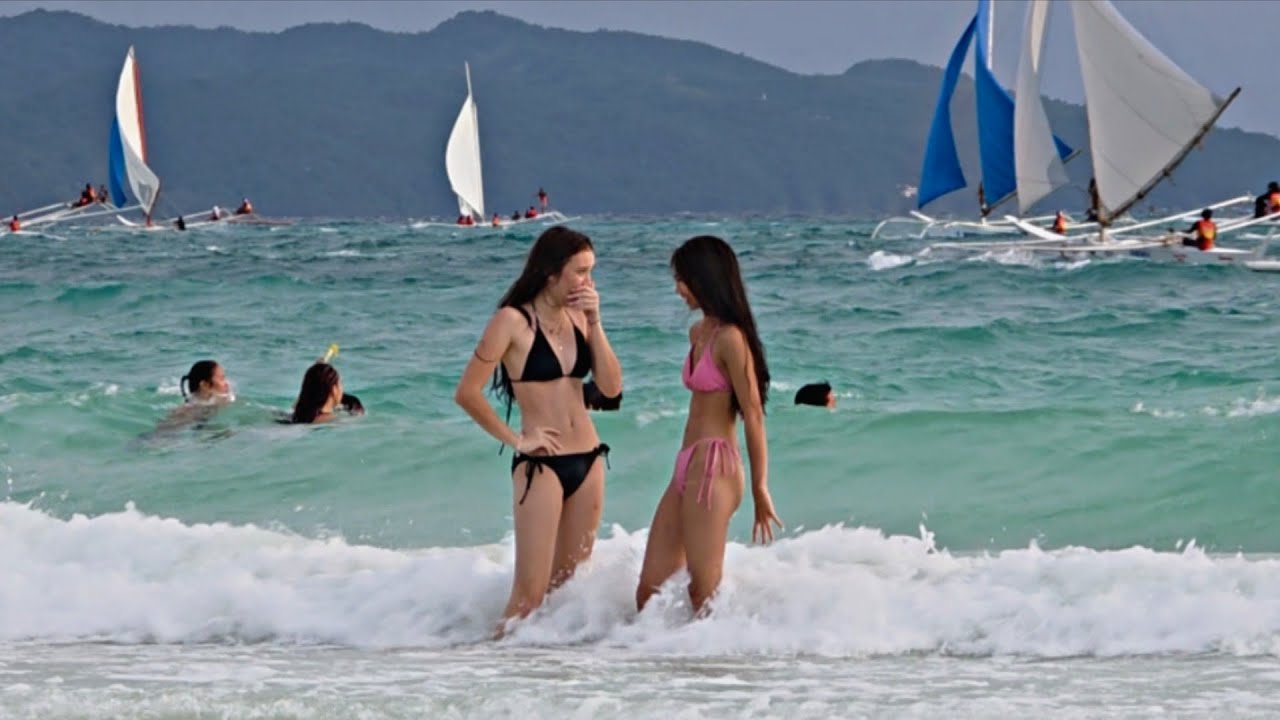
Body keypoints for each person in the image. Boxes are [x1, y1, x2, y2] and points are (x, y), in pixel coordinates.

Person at [453, 226, 623, 631]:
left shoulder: (581, 317)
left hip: (589, 459)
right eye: (580, 272)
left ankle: (549, 685)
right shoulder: (511, 321)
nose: (589, 282)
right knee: (529, 597)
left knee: (567, 594)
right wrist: (517, 439)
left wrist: (596, 321)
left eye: (591, 272)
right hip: (541, 465)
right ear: (552, 273)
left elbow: (612, 388)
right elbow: (467, 392)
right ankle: (491, 672)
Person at [635, 235, 782, 618]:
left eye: (683, 279)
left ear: (706, 278)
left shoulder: (732, 339)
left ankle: (717, 669)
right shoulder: (698, 333)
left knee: (704, 593)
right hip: (686, 464)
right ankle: (665, 668)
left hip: (716, 467)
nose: (678, 288)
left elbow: (753, 413)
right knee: (648, 592)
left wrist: (760, 487)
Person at [153, 360, 235, 433]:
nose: (226, 383)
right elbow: (162, 434)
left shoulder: (216, 401)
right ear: (204, 385)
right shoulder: (187, 412)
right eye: (221, 378)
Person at [287, 361, 362, 424]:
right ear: (333, 389)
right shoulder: (337, 421)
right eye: (340, 383)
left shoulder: (298, 416)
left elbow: (303, 399)